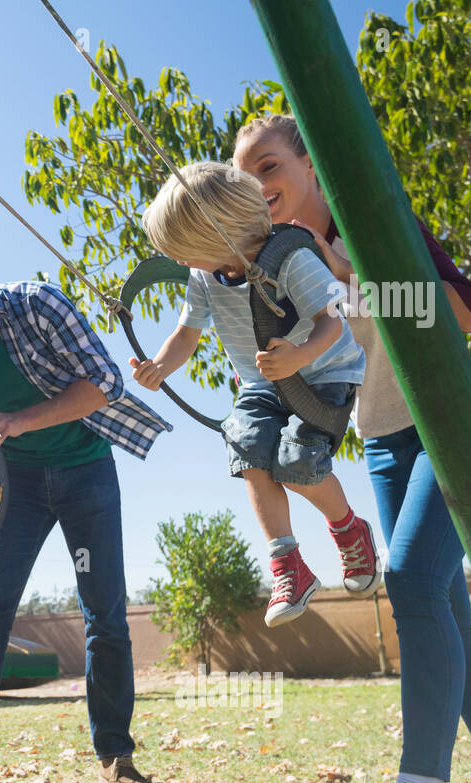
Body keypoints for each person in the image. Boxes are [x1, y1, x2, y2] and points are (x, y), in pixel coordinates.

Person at [234, 113, 471, 783]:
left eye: (269, 167)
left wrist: (347, 269)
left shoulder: (372, 223)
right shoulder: (275, 266)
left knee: (411, 584)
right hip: (384, 444)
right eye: (245, 178)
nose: (259, 187)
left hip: (452, 420)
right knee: (442, 612)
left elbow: (461, 313)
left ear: (310, 164)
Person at [0, 236, 168, 783]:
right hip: (13, 487)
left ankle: (117, 759)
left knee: (105, 612)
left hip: (85, 469)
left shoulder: (37, 305)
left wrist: (21, 421)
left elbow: (106, 382)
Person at [130, 161, 382, 630]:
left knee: (298, 464)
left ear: (214, 236)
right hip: (262, 383)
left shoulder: (291, 260)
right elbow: (186, 336)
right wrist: (160, 366)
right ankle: (288, 565)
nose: (181, 262)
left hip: (324, 371)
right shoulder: (205, 279)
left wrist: (298, 356)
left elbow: (333, 323)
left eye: (183, 250)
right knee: (247, 451)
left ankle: (349, 529)